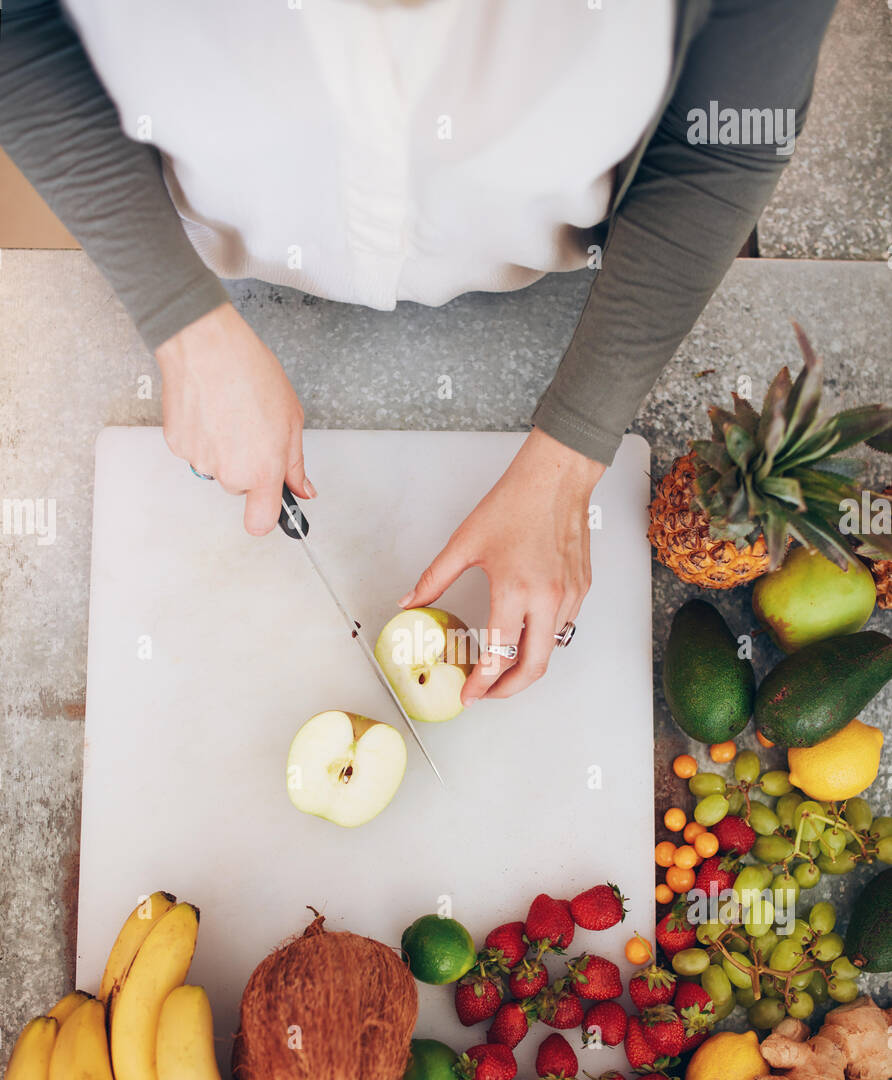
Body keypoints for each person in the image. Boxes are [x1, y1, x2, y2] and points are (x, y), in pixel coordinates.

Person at [0, 0, 836, 702]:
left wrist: (575, 452)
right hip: (215, 268)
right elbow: (20, 25)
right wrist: (182, 318)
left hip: (566, 298)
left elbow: (723, 140)